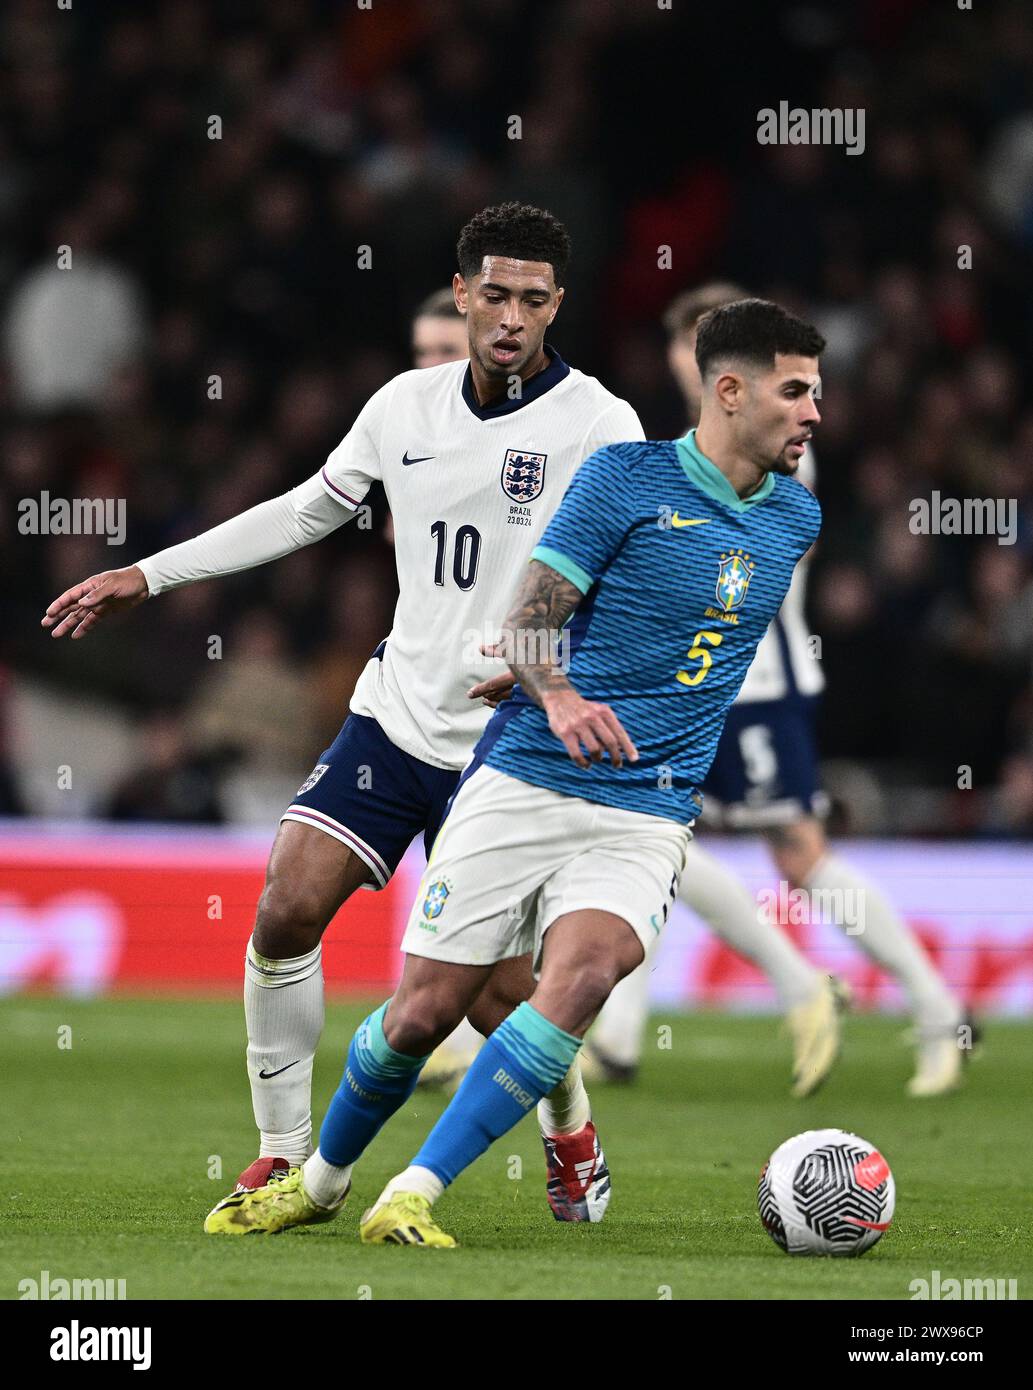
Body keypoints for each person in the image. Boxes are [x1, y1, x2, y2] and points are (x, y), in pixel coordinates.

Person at [42, 202, 644, 1227]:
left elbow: (633, 578)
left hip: (507, 743)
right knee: (285, 903)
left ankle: (569, 1134)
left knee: (498, 995)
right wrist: (149, 572)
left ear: (557, 306)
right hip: (398, 716)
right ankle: (281, 1156)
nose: (509, 317)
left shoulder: (600, 423)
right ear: (461, 294)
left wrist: (557, 673)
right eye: (492, 294)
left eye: (531, 300)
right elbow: (304, 510)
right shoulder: (403, 406)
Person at [207, 297, 826, 1246]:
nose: (815, 413)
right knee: (423, 1013)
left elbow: (681, 639)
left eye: (817, 393)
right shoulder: (621, 480)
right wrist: (560, 691)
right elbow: (532, 621)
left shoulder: (795, 517)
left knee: (583, 975)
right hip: (527, 776)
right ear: (730, 391)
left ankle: (412, 1191)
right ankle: (318, 1181)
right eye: (796, 392)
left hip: (647, 806)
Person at [586, 283, 968, 1099]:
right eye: (677, 344)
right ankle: (619, 1033)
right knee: (647, 837)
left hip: (753, 679)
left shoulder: (776, 442)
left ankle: (934, 1011)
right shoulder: (690, 448)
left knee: (793, 857)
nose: (685, 361)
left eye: (695, 342)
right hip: (695, 678)